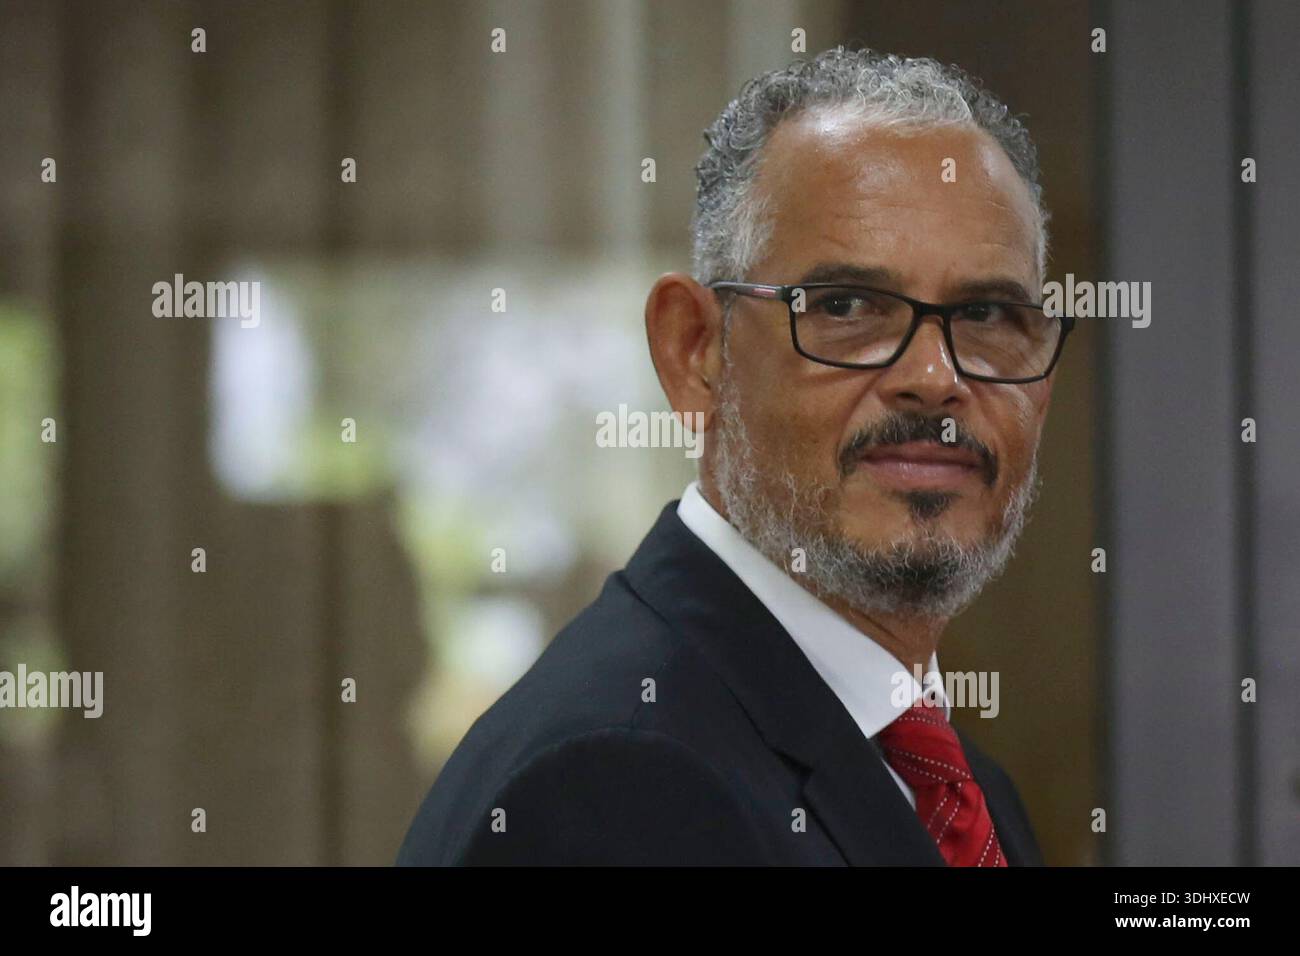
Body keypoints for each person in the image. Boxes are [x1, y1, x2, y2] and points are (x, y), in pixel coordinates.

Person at [398, 46, 1067, 866]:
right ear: (695, 352)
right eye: (847, 306)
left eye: (989, 314)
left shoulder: (963, 791)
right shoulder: (616, 786)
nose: (935, 379)